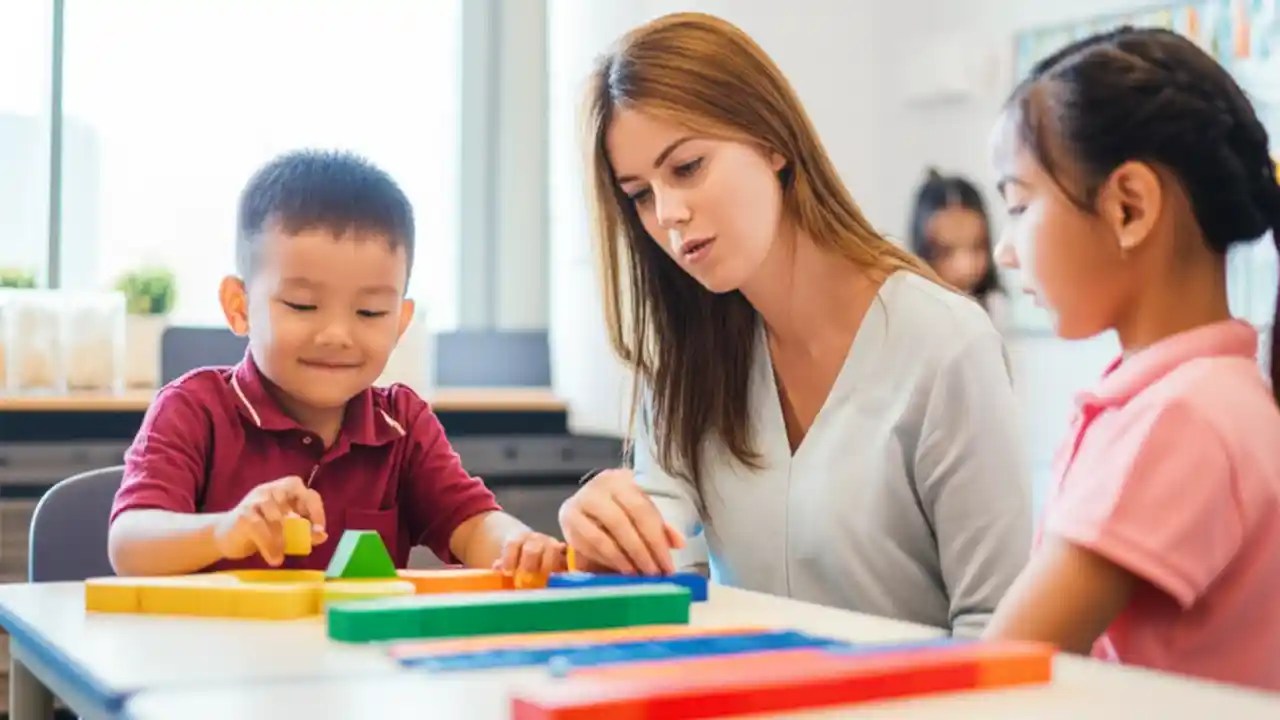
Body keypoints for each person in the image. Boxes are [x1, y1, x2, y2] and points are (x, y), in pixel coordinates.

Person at [557, 12, 1031, 637]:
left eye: (688, 166)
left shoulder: (946, 344)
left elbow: (1000, 630)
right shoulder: (683, 365)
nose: (668, 213)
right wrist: (601, 542)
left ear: (773, 142)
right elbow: (668, 598)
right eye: (639, 194)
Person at [982, 27, 1280, 691]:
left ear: (1129, 206)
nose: (1006, 252)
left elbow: (1001, 665)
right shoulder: (1218, 394)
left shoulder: (1179, 421)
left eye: (1020, 205)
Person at [108, 150, 565, 578]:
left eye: (370, 313)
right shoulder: (194, 409)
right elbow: (129, 543)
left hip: (357, 659)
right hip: (208, 658)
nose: (337, 335)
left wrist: (520, 546)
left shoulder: (403, 423)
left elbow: (472, 524)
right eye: (302, 305)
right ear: (239, 305)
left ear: (401, 322)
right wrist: (225, 529)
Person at [908, 169, 1006, 320]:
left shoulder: (1001, 312)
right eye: (945, 252)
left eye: (977, 247)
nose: (965, 267)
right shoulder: (905, 315)